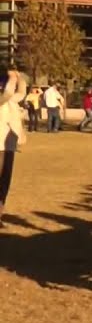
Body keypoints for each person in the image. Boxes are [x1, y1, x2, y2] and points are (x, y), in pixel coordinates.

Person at [0, 70, 28, 226]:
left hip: (9, 146)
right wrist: (12, 78)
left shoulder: (12, 101)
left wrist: (19, 77)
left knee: (5, 183)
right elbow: (8, 93)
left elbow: (21, 93)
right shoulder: (3, 99)